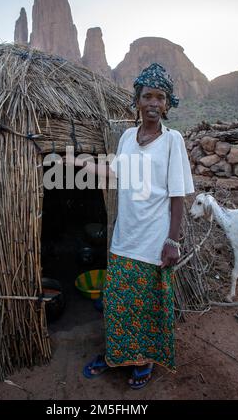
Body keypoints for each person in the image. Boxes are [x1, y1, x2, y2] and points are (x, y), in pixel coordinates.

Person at [67, 63, 195, 389]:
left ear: (168, 104)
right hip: (125, 237)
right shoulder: (127, 137)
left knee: (147, 305)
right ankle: (116, 356)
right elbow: (115, 173)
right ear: (137, 100)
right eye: (147, 96)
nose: (153, 103)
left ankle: (144, 361)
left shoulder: (172, 141)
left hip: (154, 241)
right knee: (119, 304)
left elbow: (178, 196)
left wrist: (172, 241)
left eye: (160, 97)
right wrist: (77, 162)